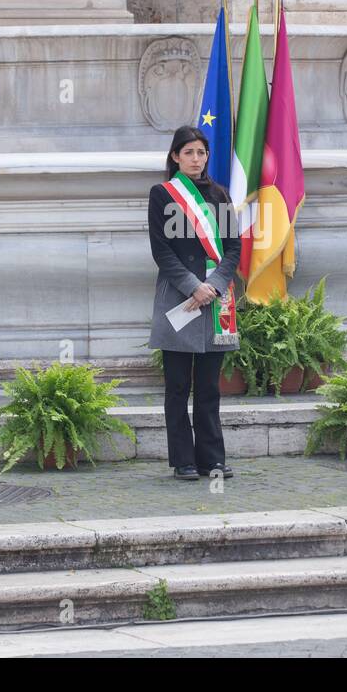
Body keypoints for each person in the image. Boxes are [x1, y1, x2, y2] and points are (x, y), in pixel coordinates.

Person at [147, 125, 242, 481]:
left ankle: (212, 459)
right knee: (176, 385)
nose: (196, 159)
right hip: (180, 299)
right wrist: (192, 287)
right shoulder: (163, 194)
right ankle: (183, 460)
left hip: (216, 303)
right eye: (188, 152)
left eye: (201, 152)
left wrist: (214, 285)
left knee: (208, 387)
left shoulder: (220, 194)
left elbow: (233, 248)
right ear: (175, 156)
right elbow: (162, 251)